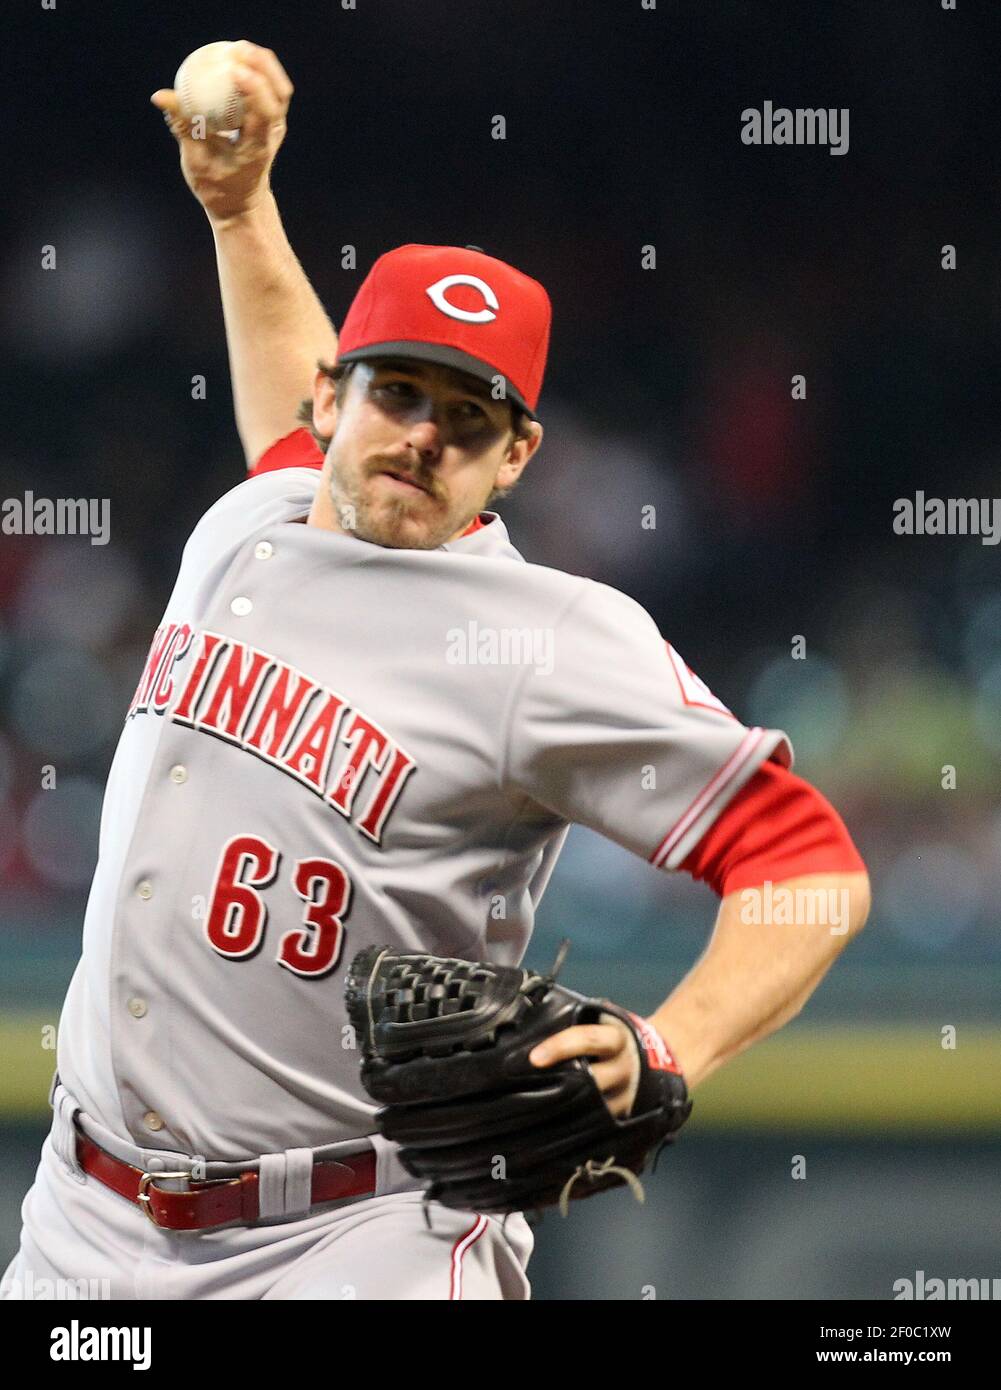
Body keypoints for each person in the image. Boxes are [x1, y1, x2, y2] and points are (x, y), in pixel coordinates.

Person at [0, 42, 869, 1302]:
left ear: (516, 454)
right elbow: (284, 412)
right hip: (83, 1216)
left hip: (348, 1242)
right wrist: (240, 209)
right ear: (330, 398)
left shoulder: (546, 638)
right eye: (395, 393)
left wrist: (672, 1044)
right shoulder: (253, 520)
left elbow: (807, 862)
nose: (421, 437)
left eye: (466, 417)